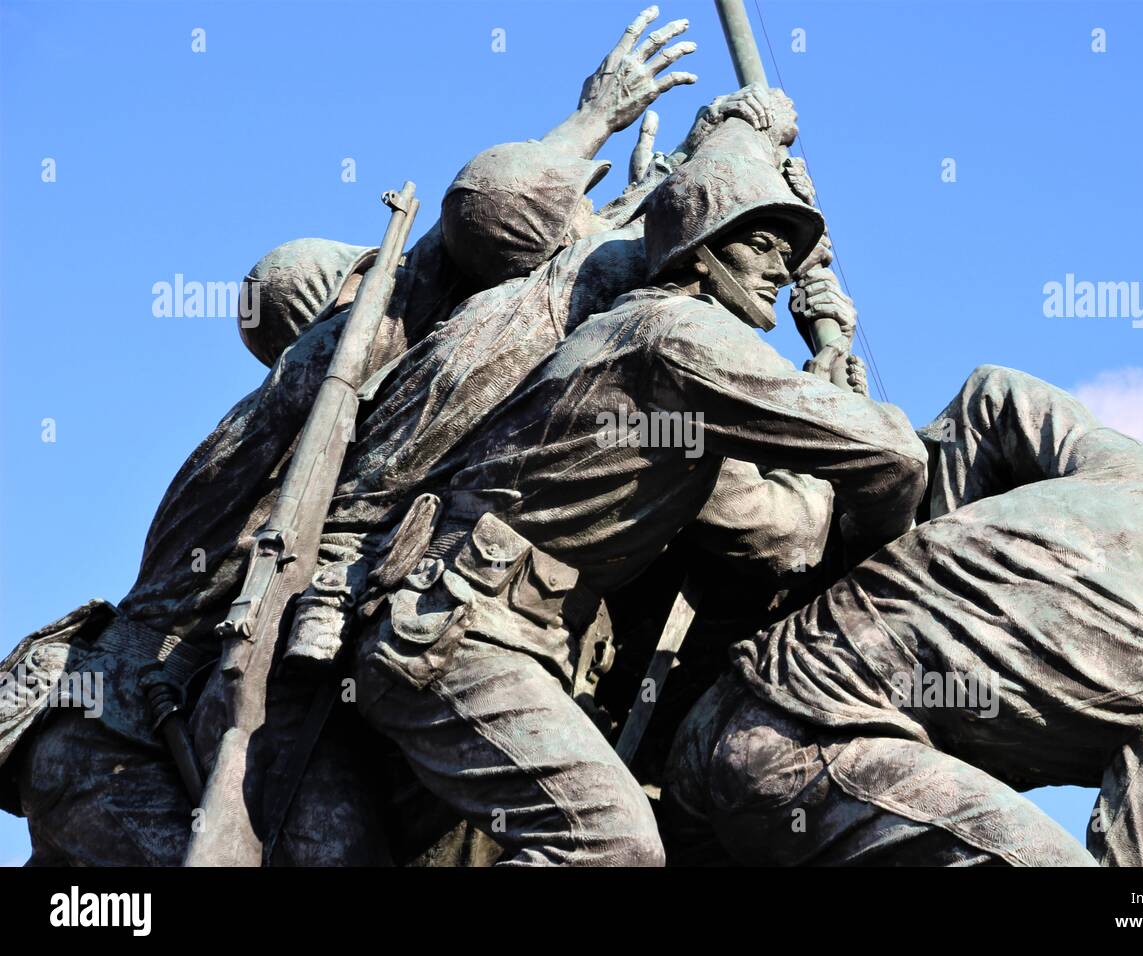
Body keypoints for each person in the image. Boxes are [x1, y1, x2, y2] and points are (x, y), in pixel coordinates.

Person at [0, 5, 699, 865]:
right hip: (122, 734)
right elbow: (487, 214)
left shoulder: (334, 419)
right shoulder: (319, 391)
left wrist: (638, 206)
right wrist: (594, 122)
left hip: (144, 716)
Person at [348, 117, 928, 865]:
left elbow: (758, 525)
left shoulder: (654, 364)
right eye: (760, 244)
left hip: (509, 642)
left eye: (789, 255)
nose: (781, 271)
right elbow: (895, 459)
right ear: (699, 247)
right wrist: (868, 551)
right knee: (610, 846)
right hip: (461, 635)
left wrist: (815, 438)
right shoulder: (677, 338)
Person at [665, 365, 1143, 866]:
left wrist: (926, 554)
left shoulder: (1133, 481)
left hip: (710, 724)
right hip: (793, 775)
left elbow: (994, 395)